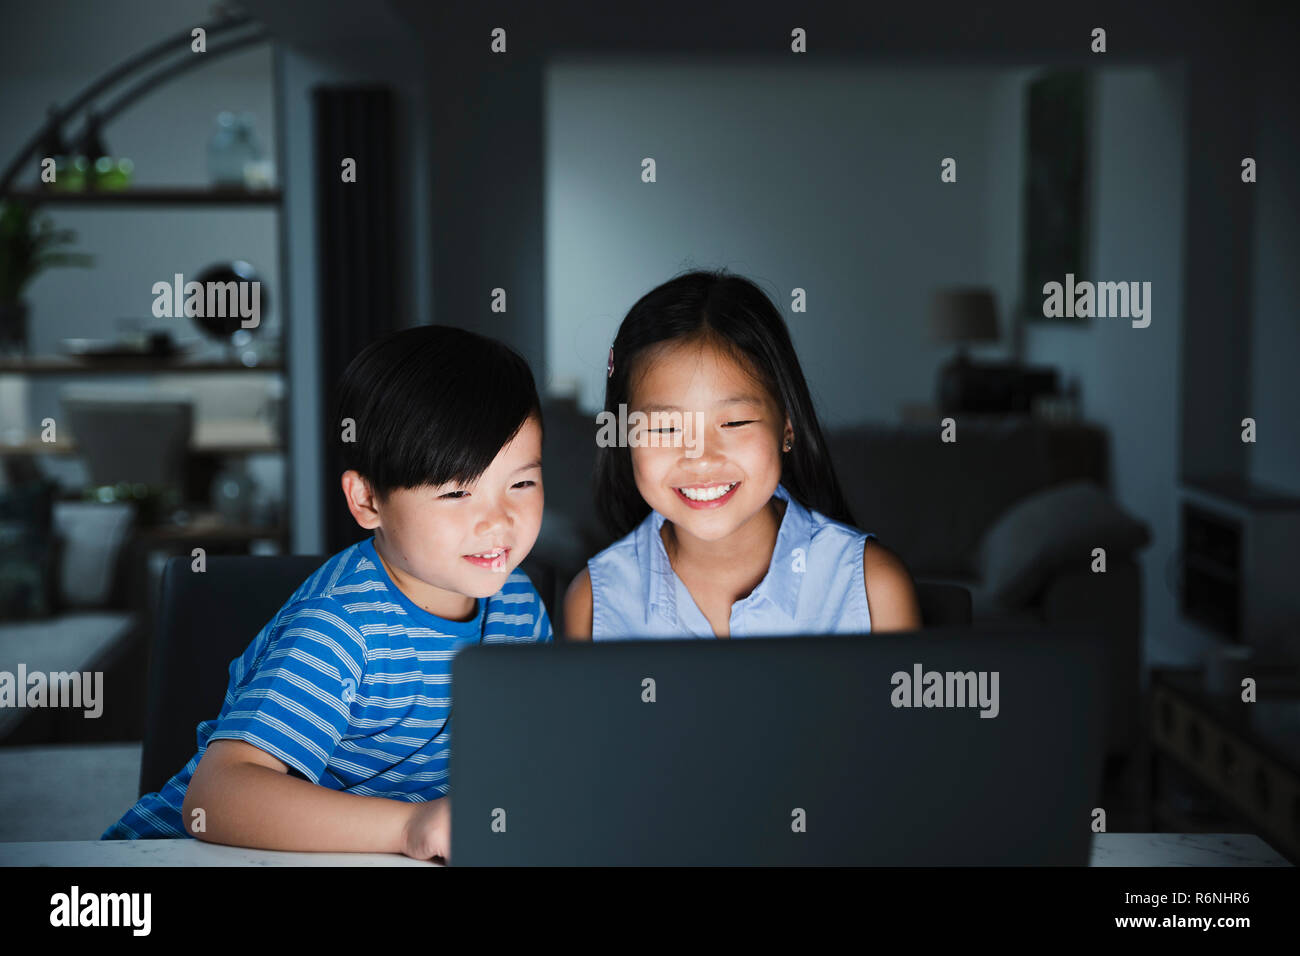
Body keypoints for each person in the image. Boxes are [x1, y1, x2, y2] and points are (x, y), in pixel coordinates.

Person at [102, 326, 550, 863]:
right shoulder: (341, 626)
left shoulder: (519, 603)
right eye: (456, 492)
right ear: (367, 501)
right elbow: (217, 799)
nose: (498, 520)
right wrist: (412, 827)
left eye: (521, 484)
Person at [565, 269, 920, 639]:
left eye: (734, 423)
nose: (701, 457)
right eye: (665, 428)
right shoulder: (594, 604)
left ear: (787, 425)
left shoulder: (872, 589)